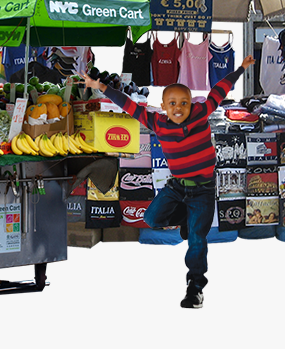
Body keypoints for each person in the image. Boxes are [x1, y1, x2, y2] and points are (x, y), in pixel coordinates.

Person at [82, 54, 256, 309]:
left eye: (184, 103)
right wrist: (101, 87)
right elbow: (128, 104)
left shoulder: (202, 112)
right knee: (152, 219)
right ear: (163, 107)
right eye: (172, 103)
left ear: (191, 104)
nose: (179, 108)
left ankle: (195, 287)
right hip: (177, 187)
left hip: (204, 190)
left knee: (197, 239)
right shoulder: (156, 122)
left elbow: (221, 89)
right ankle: (185, 218)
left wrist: (241, 68)